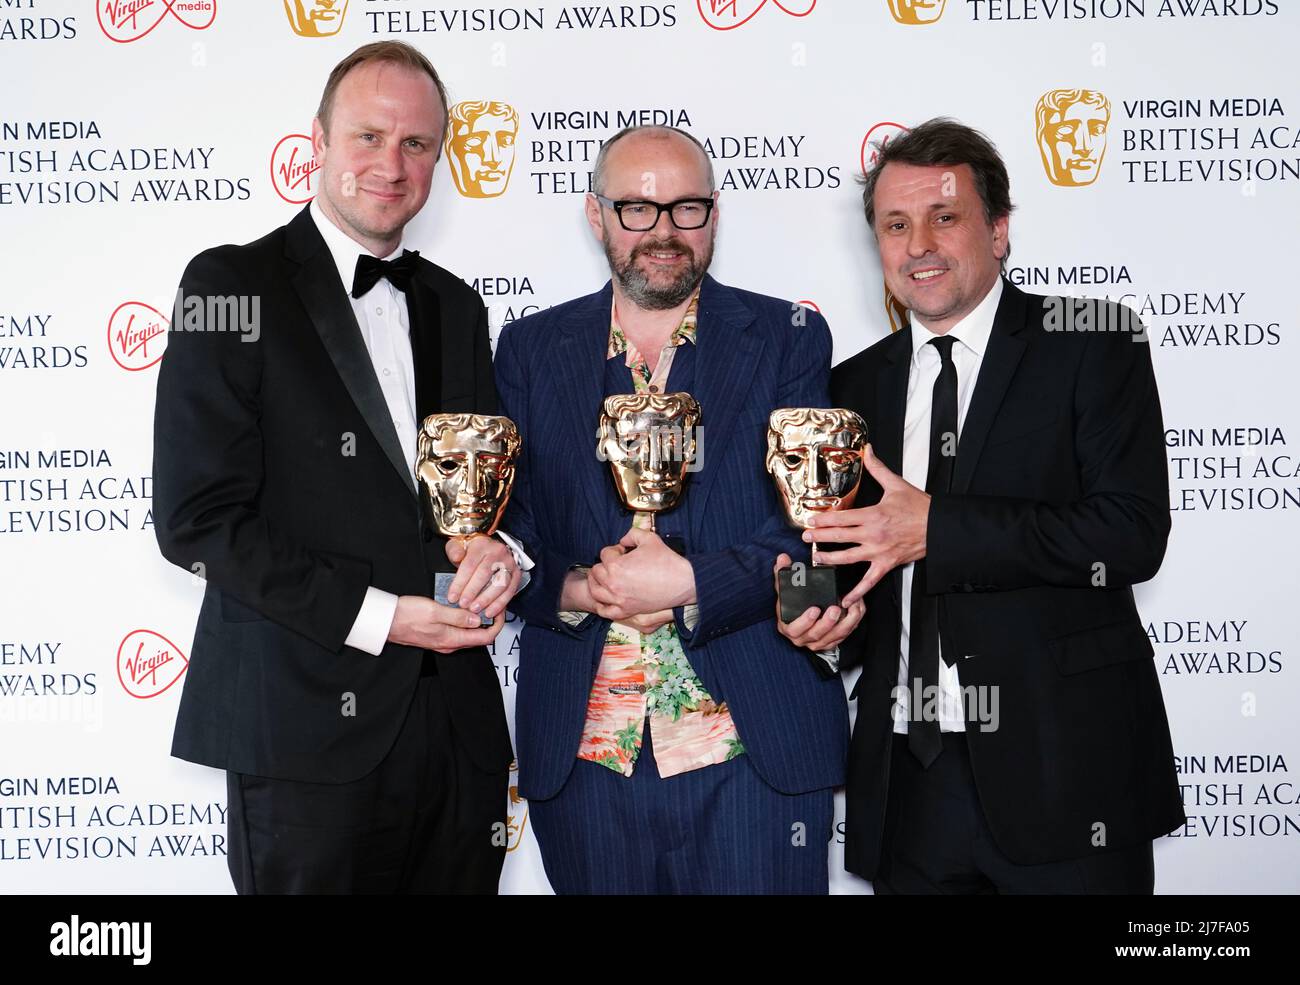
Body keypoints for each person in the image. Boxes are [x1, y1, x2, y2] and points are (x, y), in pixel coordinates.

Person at [153, 41, 527, 894]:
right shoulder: (229, 284)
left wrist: (502, 555)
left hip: (458, 732)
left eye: (416, 144)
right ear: (318, 141)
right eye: (368, 137)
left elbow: (480, 498)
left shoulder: (457, 304)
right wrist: (383, 617)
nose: (391, 165)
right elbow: (198, 520)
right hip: (303, 732)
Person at [777, 118, 1184, 893]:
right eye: (896, 224)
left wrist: (937, 528)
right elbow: (844, 554)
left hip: (1066, 775)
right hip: (908, 787)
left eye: (945, 216)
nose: (919, 244)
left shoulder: (1092, 342)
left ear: (998, 230)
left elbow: (1130, 534)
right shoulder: (851, 386)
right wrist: (812, 612)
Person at [495, 125, 848, 894]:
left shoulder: (787, 337)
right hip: (587, 758)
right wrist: (582, 588)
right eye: (637, 208)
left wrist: (691, 583)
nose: (663, 231)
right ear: (597, 214)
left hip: (751, 751)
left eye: (687, 208)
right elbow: (508, 535)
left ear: (714, 213)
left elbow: (816, 526)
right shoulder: (528, 348)